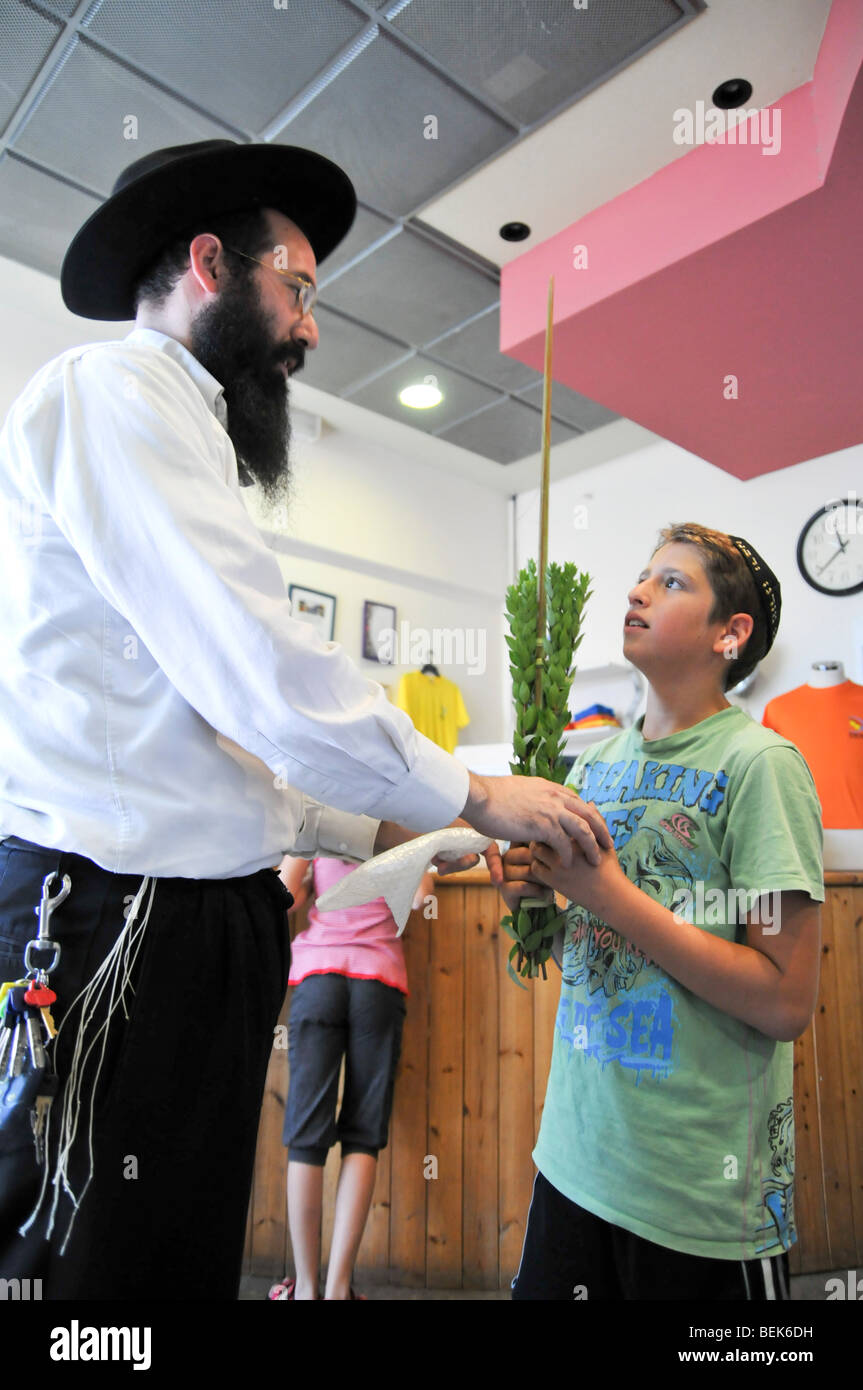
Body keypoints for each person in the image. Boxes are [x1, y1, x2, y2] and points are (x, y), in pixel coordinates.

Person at [0, 139, 611, 1300]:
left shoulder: (179, 434)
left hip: (189, 926)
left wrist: (410, 830)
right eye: (300, 288)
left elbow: (226, 742)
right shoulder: (112, 391)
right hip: (111, 923)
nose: (311, 329)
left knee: (168, 1255)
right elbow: (261, 675)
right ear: (206, 263)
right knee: (90, 1273)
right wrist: (476, 793)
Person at [502, 523, 823, 1301]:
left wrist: (608, 895)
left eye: (672, 583)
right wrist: (530, 899)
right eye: (642, 577)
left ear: (730, 633)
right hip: (574, 1165)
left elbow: (783, 1000)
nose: (637, 592)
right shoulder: (597, 763)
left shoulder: (759, 766)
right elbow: (586, 955)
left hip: (702, 1201)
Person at [268, 856, 432, 1302]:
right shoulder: (404, 824)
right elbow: (420, 899)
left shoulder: (320, 813)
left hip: (318, 976)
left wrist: (307, 881)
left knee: (305, 1135)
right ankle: (338, 1290)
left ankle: (304, 1289)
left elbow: (282, 897)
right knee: (362, 1135)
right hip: (378, 981)